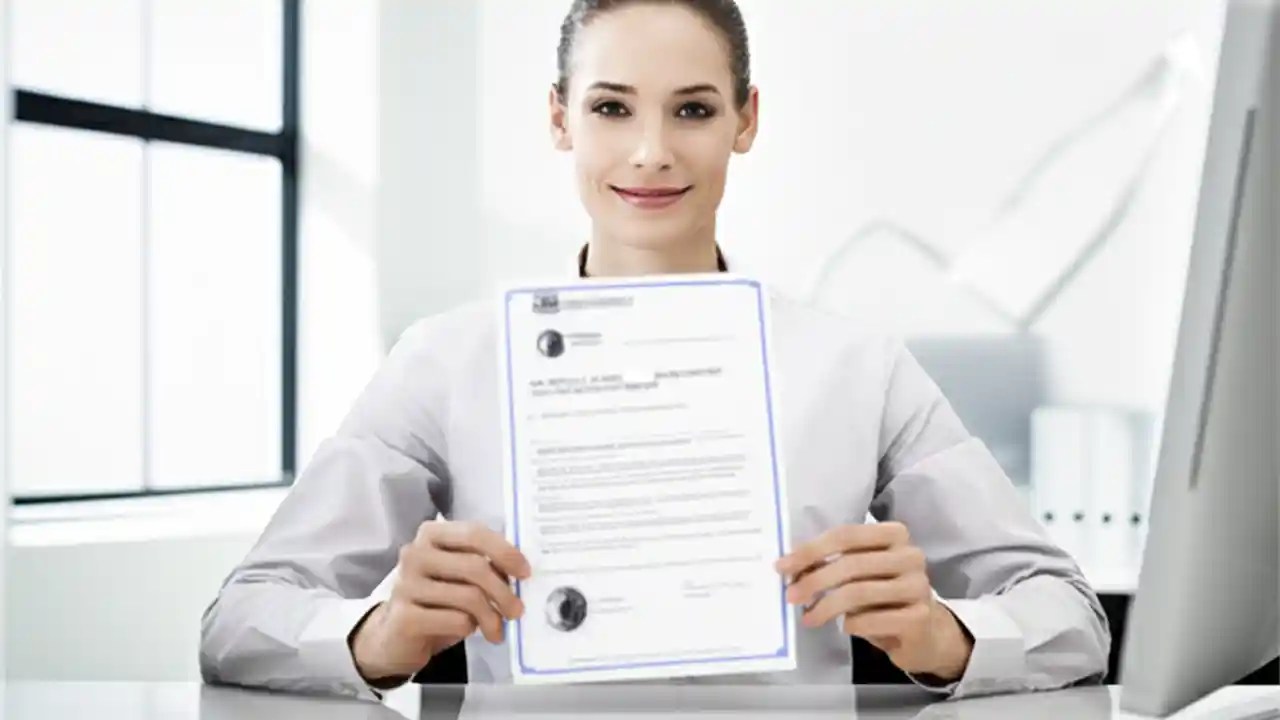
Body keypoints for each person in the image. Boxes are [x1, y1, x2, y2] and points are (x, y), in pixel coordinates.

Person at [200, 0, 1110, 702]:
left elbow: (1068, 615)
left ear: (745, 121)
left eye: (693, 109)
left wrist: (947, 636)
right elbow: (240, 619)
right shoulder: (444, 361)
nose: (650, 152)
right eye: (611, 107)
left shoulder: (857, 366)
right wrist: (374, 636)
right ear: (560, 119)